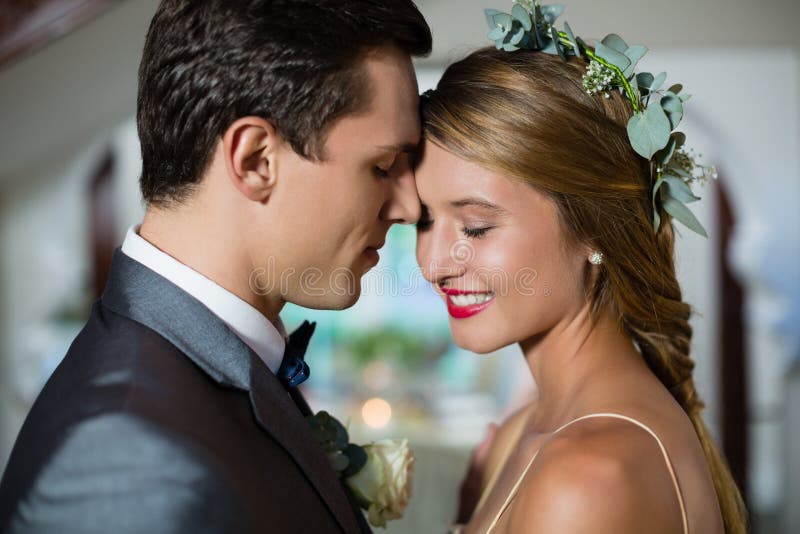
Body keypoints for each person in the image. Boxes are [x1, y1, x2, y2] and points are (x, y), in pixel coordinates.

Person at [0, 1, 430, 532]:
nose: (410, 207)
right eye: (383, 166)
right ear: (255, 160)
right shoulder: (130, 462)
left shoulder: (211, 366)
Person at [414, 5, 747, 533]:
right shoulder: (522, 431)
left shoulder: (588, 478)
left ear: (593, 228)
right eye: (422, 221)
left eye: (476, 227)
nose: (432, 264)